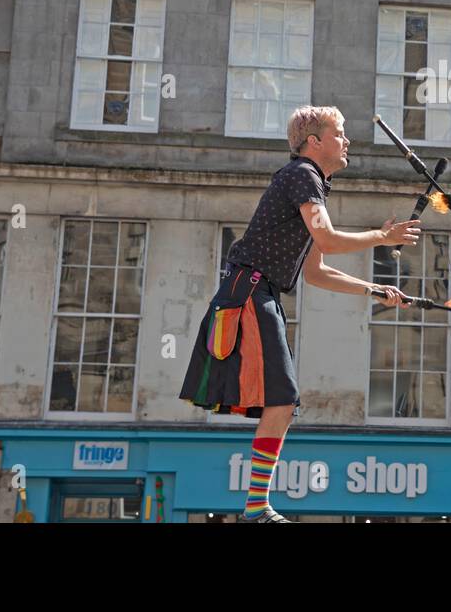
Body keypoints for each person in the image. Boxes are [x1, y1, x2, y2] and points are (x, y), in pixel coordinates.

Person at [179, 105, 420, 523]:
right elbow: (326, 238)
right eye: (340, 134)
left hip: (258, 293)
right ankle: (256, 507)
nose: (347, 142)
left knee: (282, 402)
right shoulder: (301, 175)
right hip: (251, 292)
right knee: (283, 400)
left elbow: (316, 270)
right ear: (315, 141)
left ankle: (256, 506)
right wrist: (382, 236)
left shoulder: (310, 185)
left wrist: (373, 288)